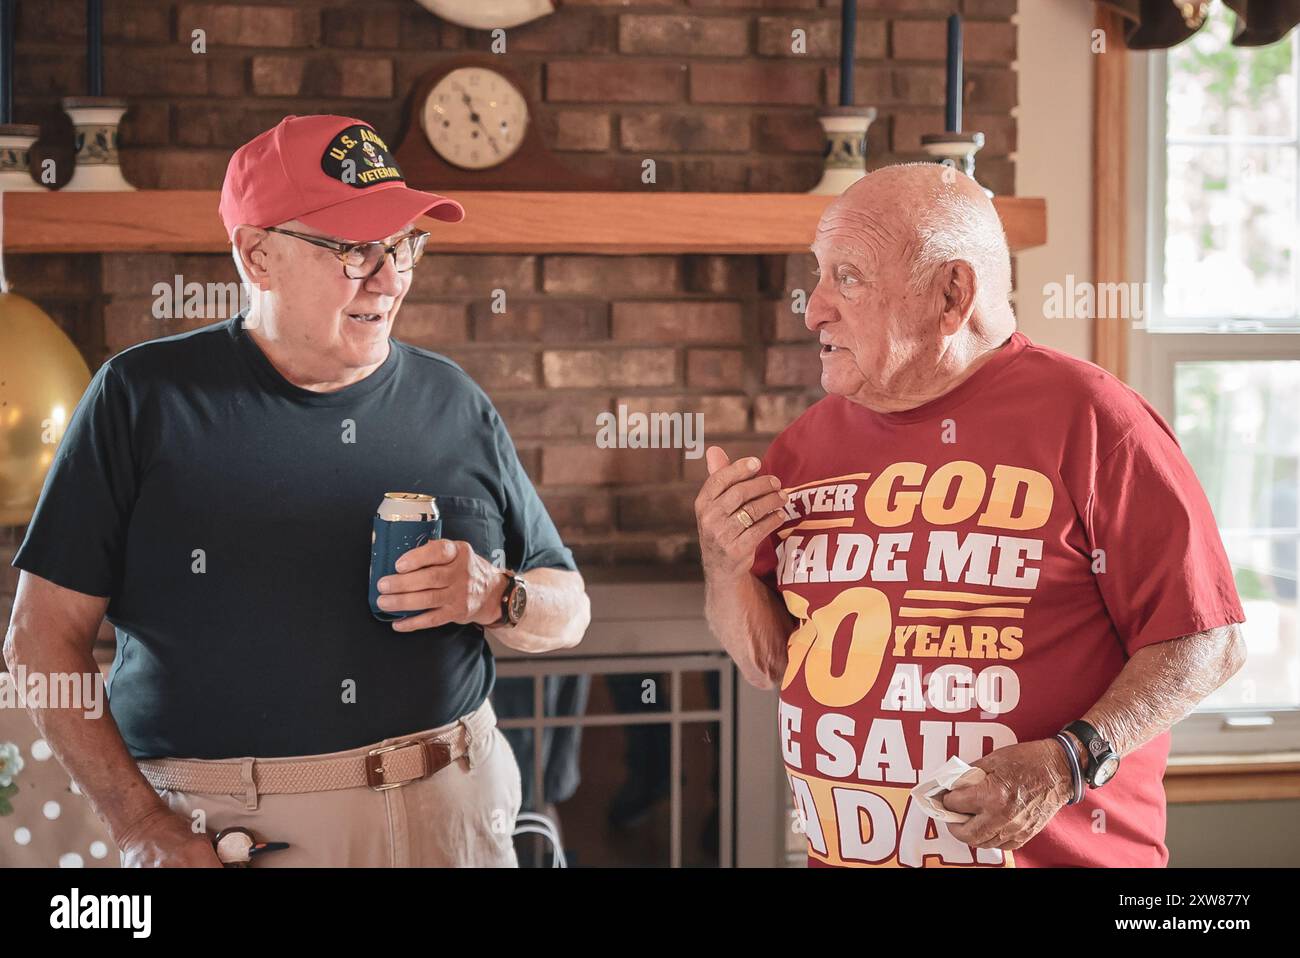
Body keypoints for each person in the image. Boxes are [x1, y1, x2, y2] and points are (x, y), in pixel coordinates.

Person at [4, 114, 590, 868]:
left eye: (404, 244)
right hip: (238, 835)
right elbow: (39, 639)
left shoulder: (455, 400)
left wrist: (498, 595)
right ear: (257, 255)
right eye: (353, 249)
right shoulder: (142, 399)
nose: (389, 277)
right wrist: (139, 825)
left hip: (459, 815)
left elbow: (570, 606)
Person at [695, 163, 1246, 868]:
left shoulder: (1095, 422)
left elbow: (1207, 640)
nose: (814, 308)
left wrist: (1070, 761)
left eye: (849, 277)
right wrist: (724, 566)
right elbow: (763, 659)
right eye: (819, 273)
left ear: (951, 294)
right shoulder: (805, 446)